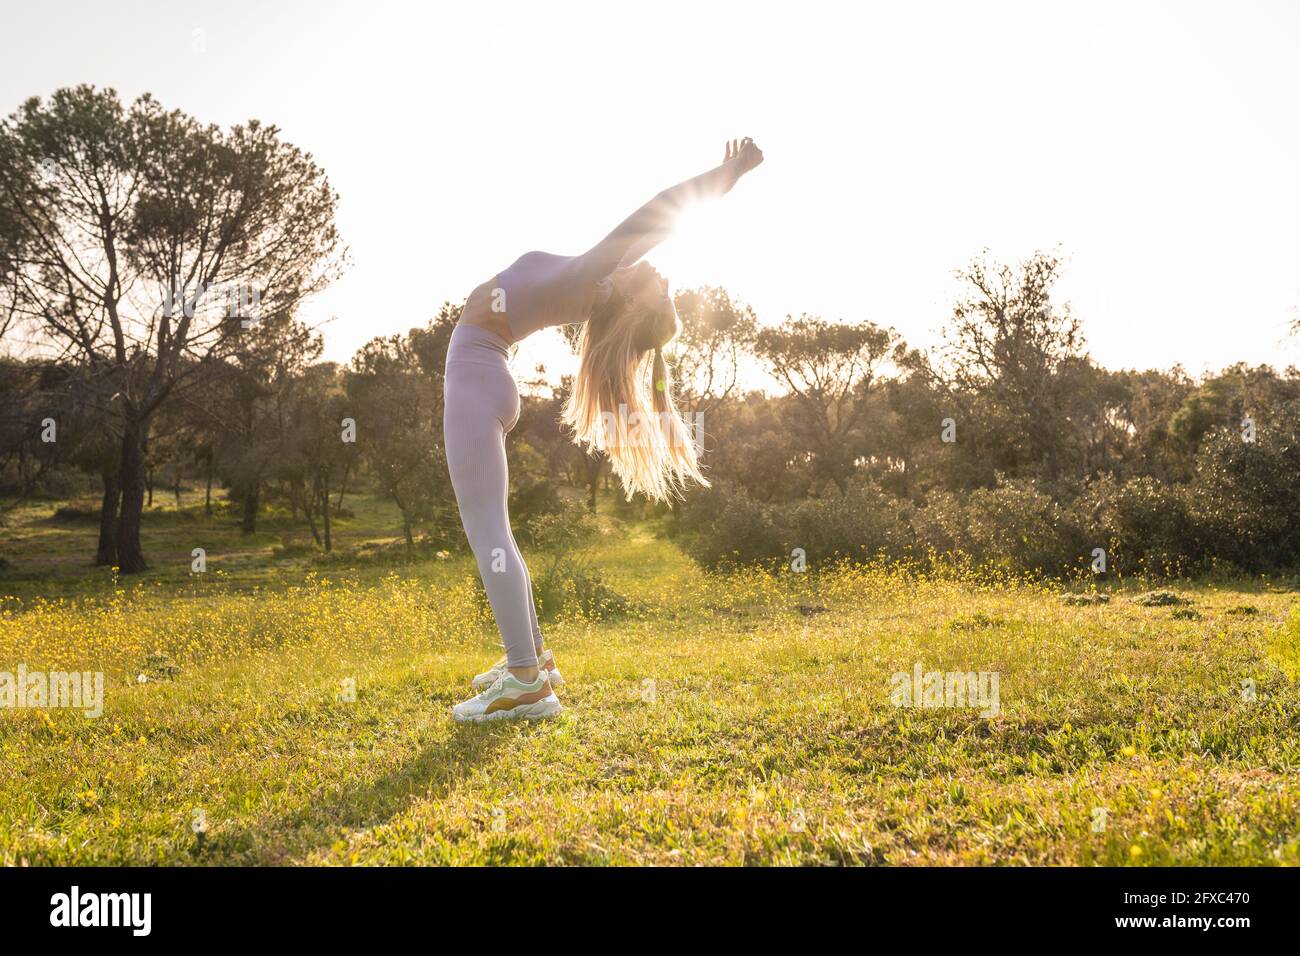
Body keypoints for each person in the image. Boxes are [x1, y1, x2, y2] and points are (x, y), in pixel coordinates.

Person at [445, 138, 764, 722]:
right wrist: (729, 178)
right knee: (497, 531)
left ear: (633, 302)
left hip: (474, 375)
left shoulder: (598, 274)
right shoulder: (607, 275)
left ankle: (525, 684)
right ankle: (533, 659)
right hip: (485, 375)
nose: (665, 276)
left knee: (486, 528)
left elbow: (662, 207)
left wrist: (731, 172)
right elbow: (657, 225)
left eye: (662, 290)